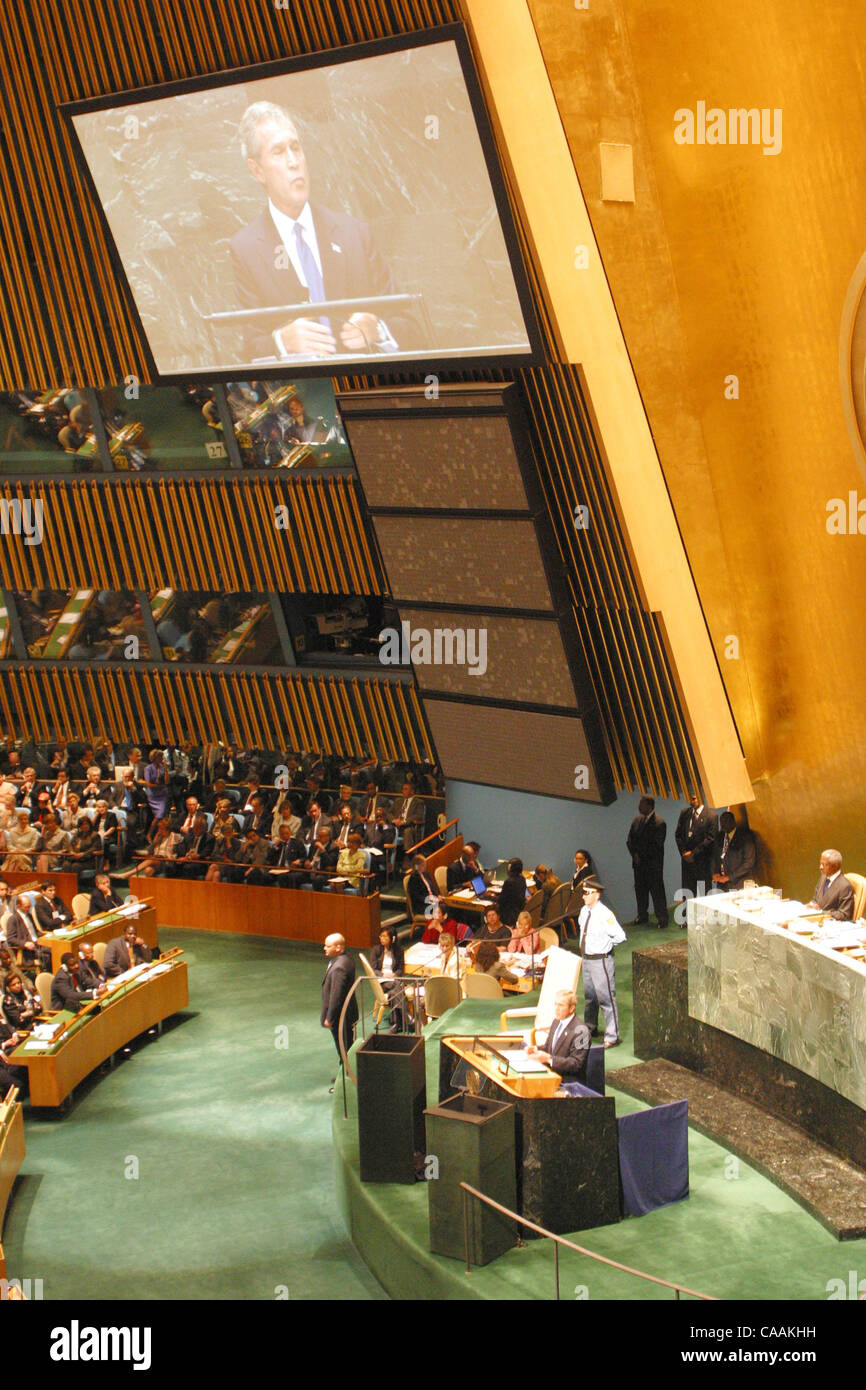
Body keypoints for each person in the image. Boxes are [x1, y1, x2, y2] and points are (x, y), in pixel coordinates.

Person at [231, 103, 420, 364]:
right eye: (278, 151)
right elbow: (250, 347)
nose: (293, 161)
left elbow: (410, 327)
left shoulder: (354, 234)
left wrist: (378, 329)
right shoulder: (246, 249)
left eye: (296, 148)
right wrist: (281, 342)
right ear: (257, 170)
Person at [577, 880, 626, 1048]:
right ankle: (590, 1028)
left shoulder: (605, 914)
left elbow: (620, 936)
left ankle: (612, 1036)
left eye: (586, 893)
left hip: (601, 960)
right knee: (590, 997)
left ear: (596, 895)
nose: (583, 896)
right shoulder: (584, 911)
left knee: (606, 998)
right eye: (583, 893)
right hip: (587, 959)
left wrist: (605, 947)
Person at [526, 990, 591, 1079]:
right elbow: (549, 1047)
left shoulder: (582, 1032)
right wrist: (535, 1049)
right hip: (551, 1075)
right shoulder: (556, 1022)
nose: (556, 1008)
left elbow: (576, 1064)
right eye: (555, 1004)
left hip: (568, 1082)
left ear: (572, 1008)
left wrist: (549, 1059)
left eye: (561, 1005)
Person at [626, 796, 669, 927]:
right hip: (638, 865)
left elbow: (657, 845)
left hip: (653, 865)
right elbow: (629, 840)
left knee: (657, 892)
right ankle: (642, 915)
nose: (639, 806)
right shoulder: (637, 820)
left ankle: (662, 919)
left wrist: (641, 856)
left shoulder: (659, 822)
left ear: (649, 806)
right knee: (640, 891)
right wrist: (634, 854)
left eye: (642, 804)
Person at [321, 933, 358, 1084]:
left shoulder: (339, 967)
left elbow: (336, 996)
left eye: (328, 946)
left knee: (344, 1046)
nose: (324, 948)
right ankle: (346, 1072)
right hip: (347, 1012)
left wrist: (330, 1018)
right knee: (346, 1044)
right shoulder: (346, 959)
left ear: (338, 947)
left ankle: (347, 1078)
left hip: (341, 1015)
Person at [675, 793, 718, 899]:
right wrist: (684, 853)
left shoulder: (711, 816)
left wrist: (693, 853)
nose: (692, 800)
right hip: (687, 862)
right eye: (691, 798)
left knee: (704, 895)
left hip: (702, 862)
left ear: (701, 797)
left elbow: (711, 838)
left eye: (694, 798)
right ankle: (687, 914)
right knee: (687, 894)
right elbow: (678, 835)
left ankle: (705, 915)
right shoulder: (685, 813)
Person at [369, 926, 407, 1030]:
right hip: (382, 982)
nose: (382, 938)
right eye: (381, 936)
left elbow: (400, 969)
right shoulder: (376, 950)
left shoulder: (399, 951)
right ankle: (407, 1017)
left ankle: (396, 1023)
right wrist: (383, 975)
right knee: (399, 986)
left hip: (394, 980)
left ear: (392, 938)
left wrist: (394, 975)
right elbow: (373, 970)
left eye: (385, 937)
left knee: (394, 993)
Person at [712, 811, 757, 892]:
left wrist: (729, 877)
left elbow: (748, 863)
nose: (723, 824)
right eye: (721, 822)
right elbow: (715, 857)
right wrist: (715, 872)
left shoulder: (745, 837)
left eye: (726, 821)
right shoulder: (719, 836)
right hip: (722, 885)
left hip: (738, 884)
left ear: (733, 822)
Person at [807, 850, 855, 921]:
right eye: (820, 864)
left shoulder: (845, 886)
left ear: (835, 866)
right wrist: (812, 905)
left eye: (824, 865)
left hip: (831, 924)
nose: (820, 867)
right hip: (816, 919)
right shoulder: (823, 877)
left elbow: (844, 914)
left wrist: (821, 912)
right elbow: (816, 899)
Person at [497, 857, 529, 927]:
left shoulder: (509, 882)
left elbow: (501, 900)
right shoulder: (522, 879)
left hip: (508, 915)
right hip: (518, 911)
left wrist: (489, 897)